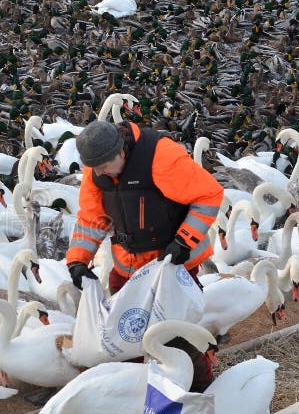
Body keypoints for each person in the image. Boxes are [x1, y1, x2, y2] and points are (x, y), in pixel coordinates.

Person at [66, 118, 224, 391]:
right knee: (123, 337)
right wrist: (78, 260)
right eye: (96, 168)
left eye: (105, 166)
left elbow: (209, 195)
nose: (101, 173)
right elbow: (92, 217)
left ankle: (200, 390)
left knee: (173, 336)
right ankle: (140, 392)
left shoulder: (162, 157)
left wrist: (184, 241)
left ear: (120, 152)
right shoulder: (96, 170)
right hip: (127, 266)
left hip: (170, 264)